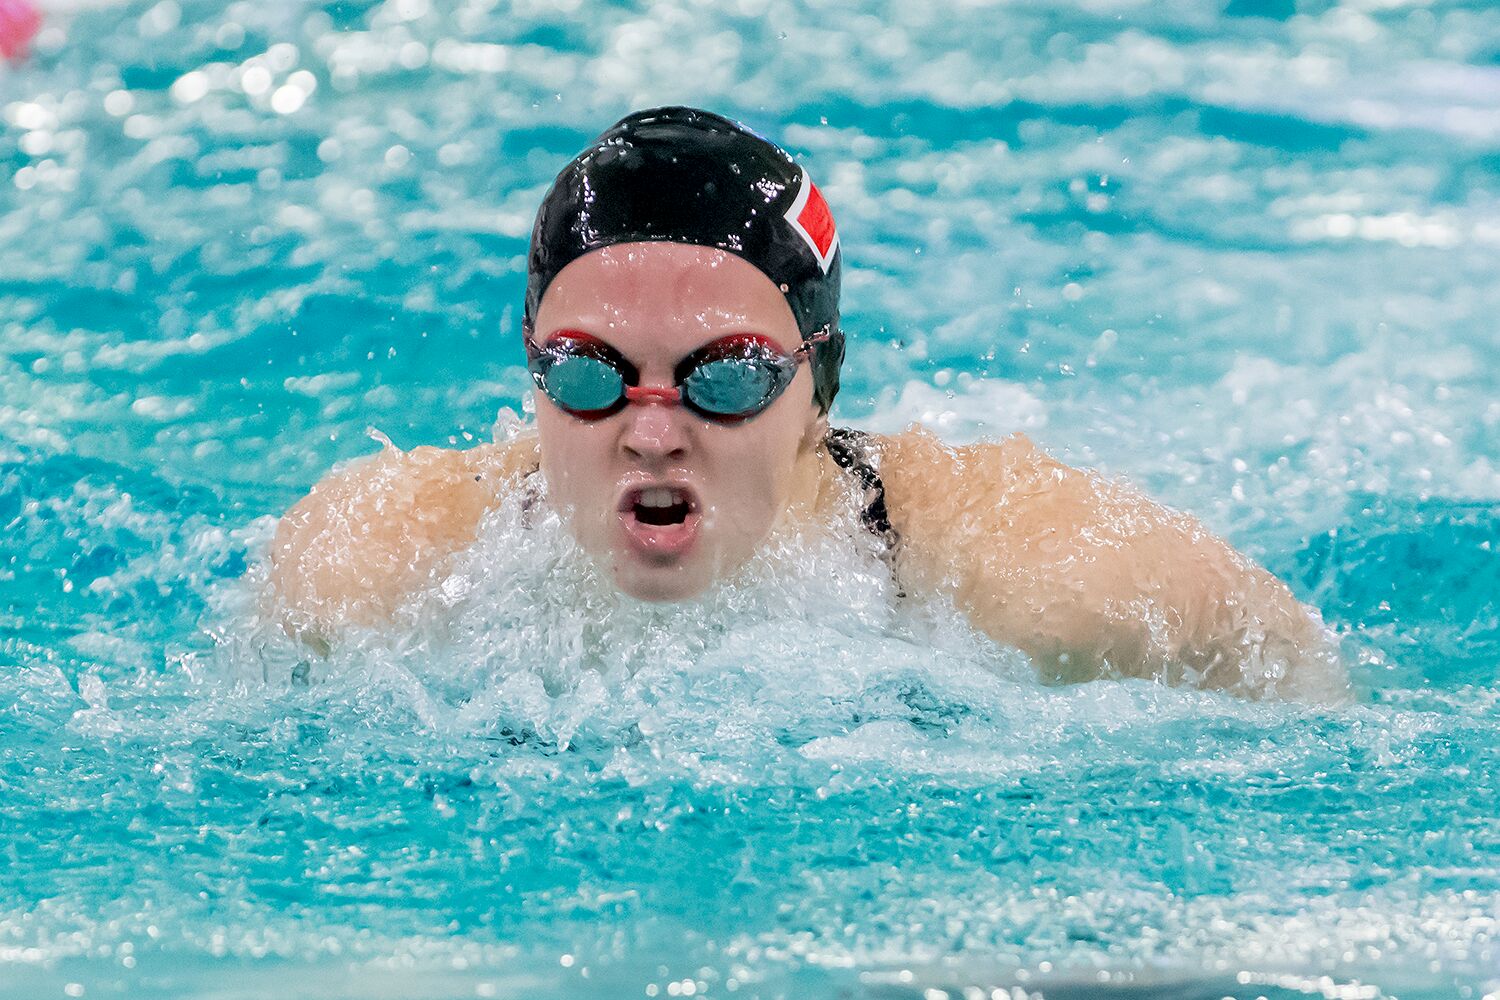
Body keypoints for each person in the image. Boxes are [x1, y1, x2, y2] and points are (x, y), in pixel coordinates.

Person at [269, 106, 1346, 702]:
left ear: (817, 390)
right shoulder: (369, 567)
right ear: (532, 374)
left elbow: (1324, 706)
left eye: (726, 376)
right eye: (591, 375)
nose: (651, 432)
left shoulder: (1038, 576)